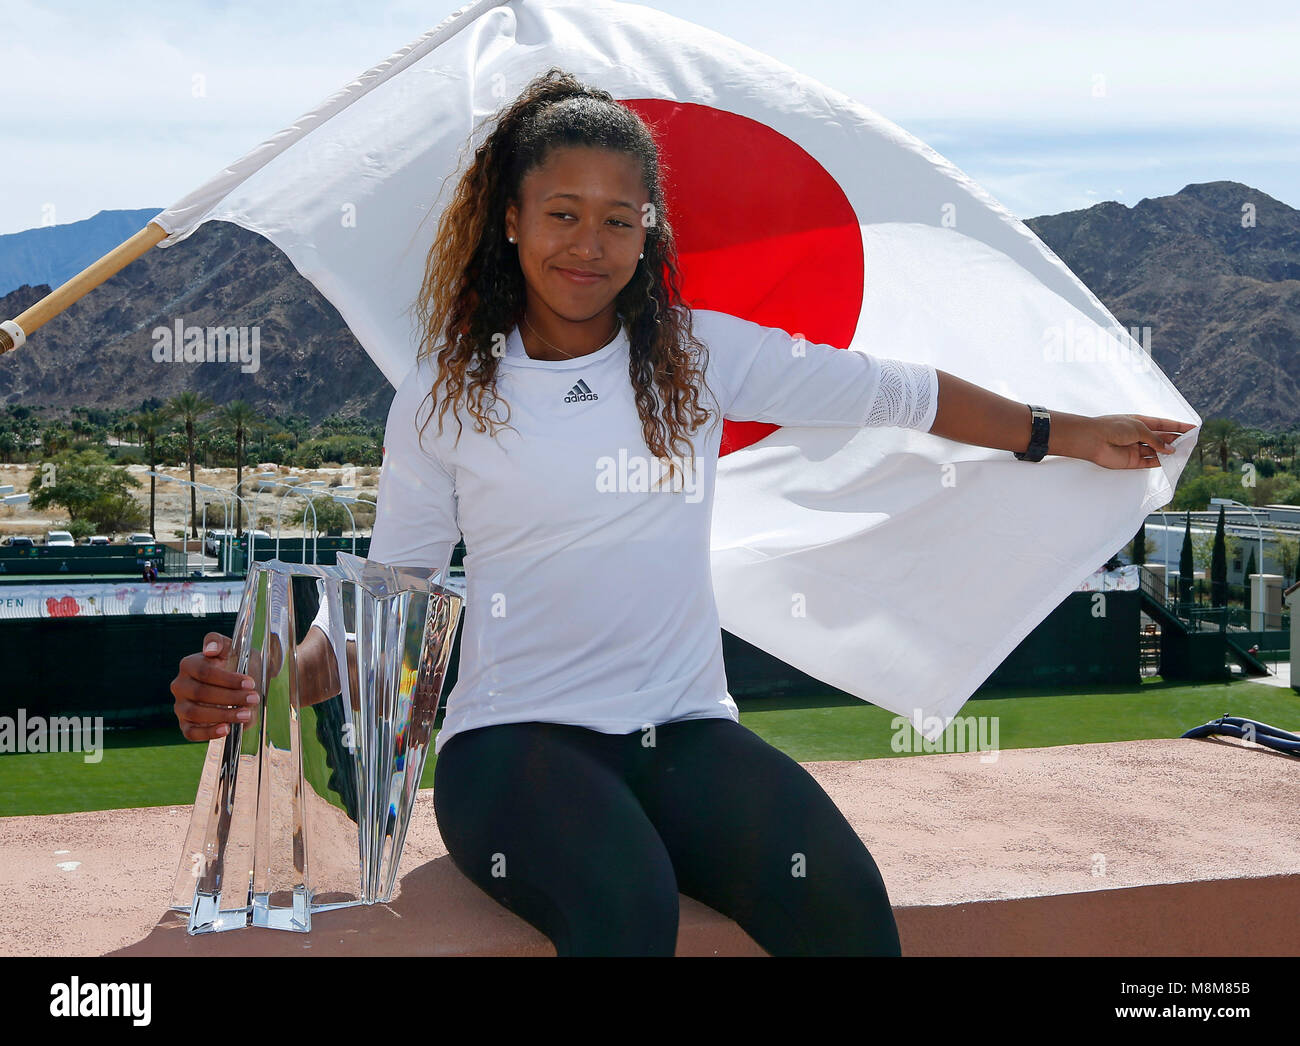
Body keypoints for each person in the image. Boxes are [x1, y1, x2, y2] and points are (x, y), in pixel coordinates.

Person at [169, 68, 1195, 957]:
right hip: (513, 745)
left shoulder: (694, 356)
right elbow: (387, 603)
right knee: (625, 904)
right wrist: (262, 679)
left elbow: (897, 391)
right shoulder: (448, 391)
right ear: (511, 219)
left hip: (685, 728)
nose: (590, 242)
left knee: (845, 901)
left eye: (620, 217)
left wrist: (1063, 431)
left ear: (648, 230)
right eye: (562, 211)